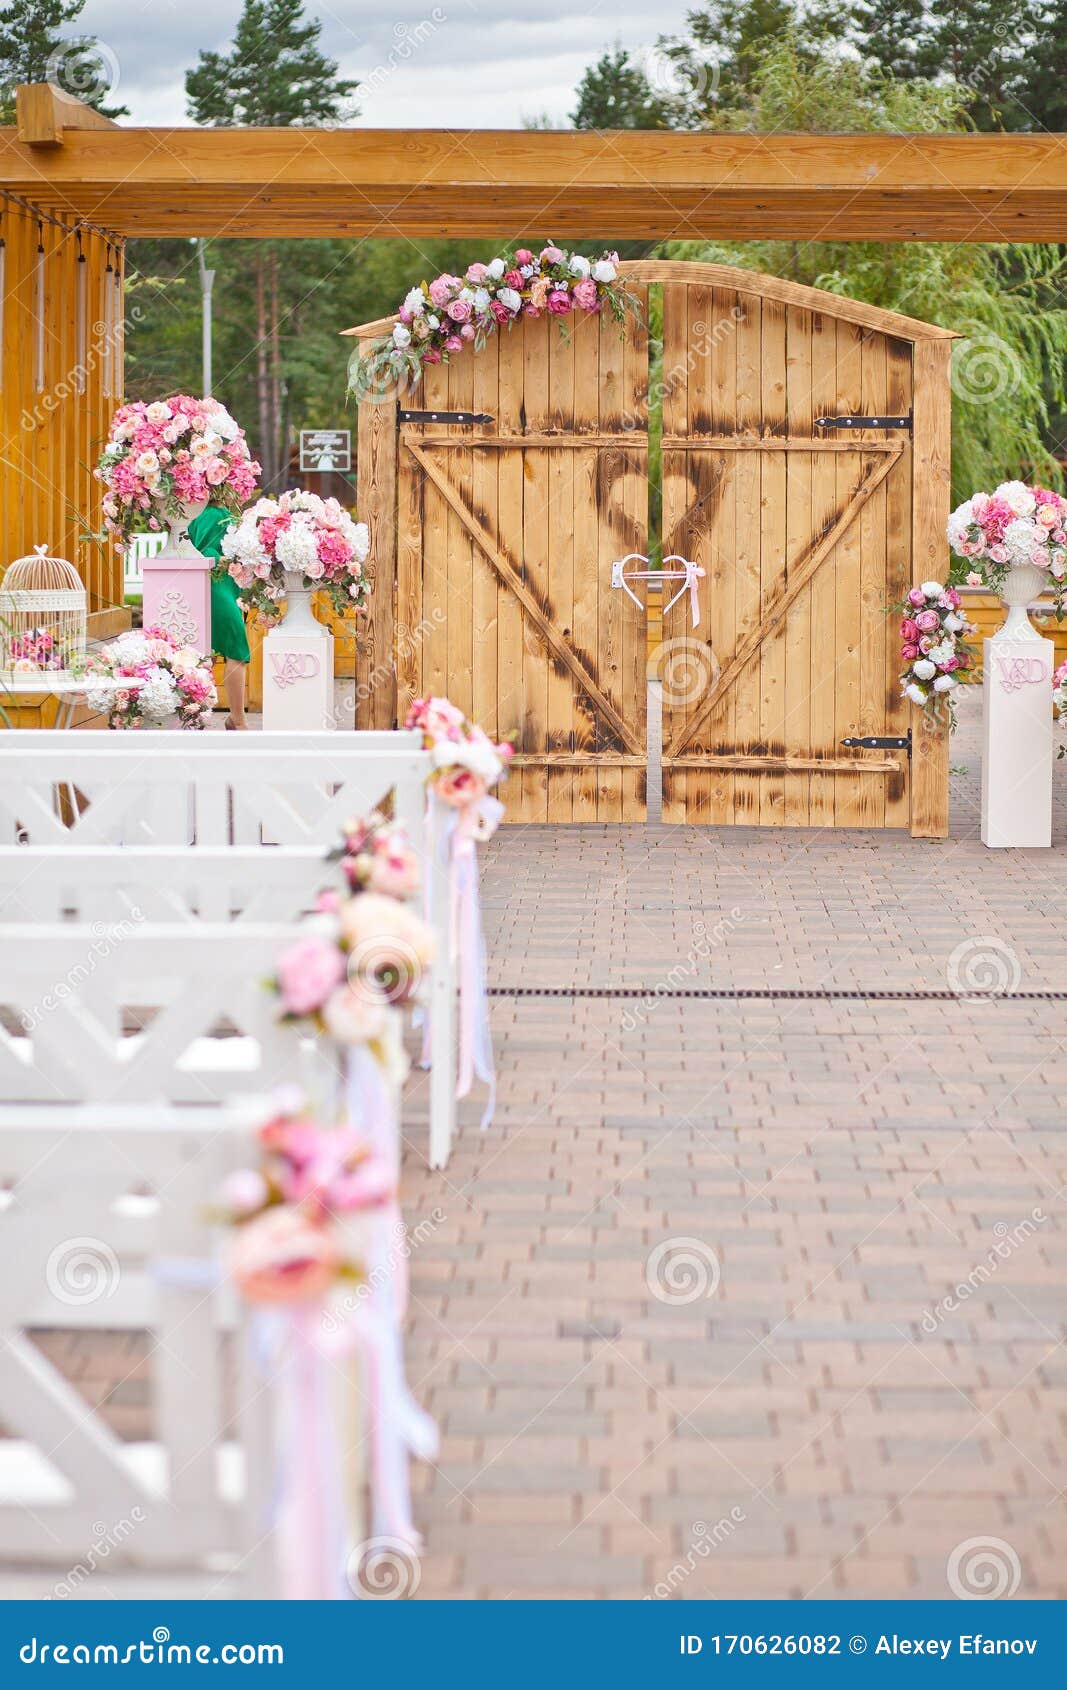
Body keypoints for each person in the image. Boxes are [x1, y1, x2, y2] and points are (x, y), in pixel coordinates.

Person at [187, 505, 250, 730]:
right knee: (236, 649)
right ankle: (237, 719)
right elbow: (202, 550)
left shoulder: (205, 512)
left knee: (208, 651)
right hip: (216, 585)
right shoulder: (209, 513)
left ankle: (198, 715)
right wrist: (223, 560)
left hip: (227, 586)